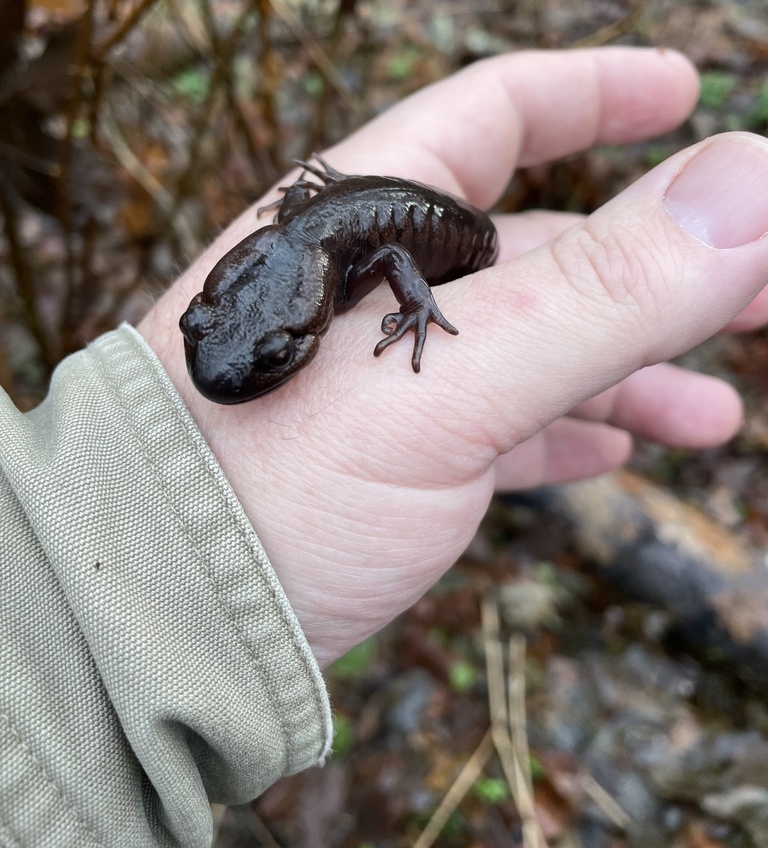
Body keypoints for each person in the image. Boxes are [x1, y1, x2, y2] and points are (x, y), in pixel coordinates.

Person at [3, 46, 768, 847]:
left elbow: (402, 255)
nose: (217, 368)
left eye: (271, 355)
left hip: (470, 247)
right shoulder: (297, 253)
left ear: (324, 297)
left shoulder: (337, 255)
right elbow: (284, 284)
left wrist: (418, 305)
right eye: (202, 326)